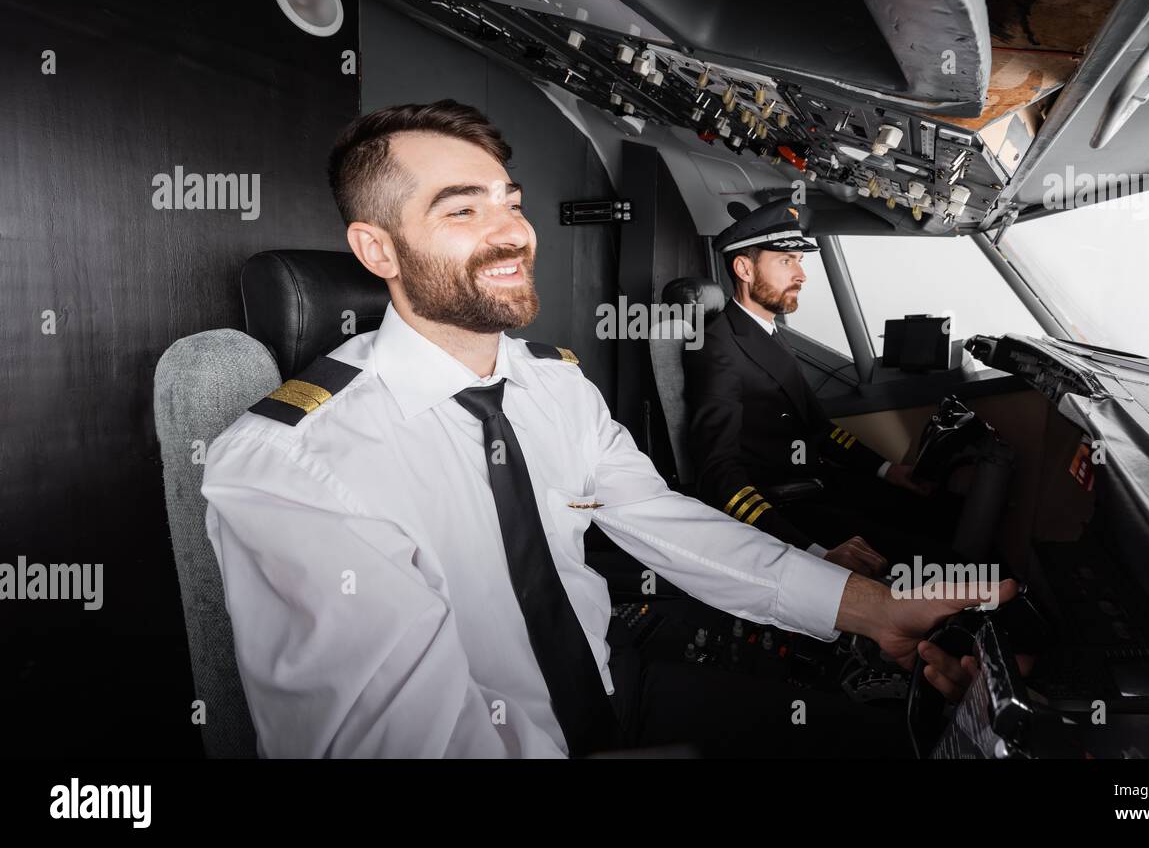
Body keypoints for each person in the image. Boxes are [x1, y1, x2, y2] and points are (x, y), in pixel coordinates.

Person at [201, 100, 1014, 758]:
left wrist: (867, 607)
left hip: (615, 682)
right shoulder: (291, 468)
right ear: (377, 247)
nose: (514, 231)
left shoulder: (555, 385)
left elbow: (668, 525)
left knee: (874, 739)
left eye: (510, 203)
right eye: (462, 209)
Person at [683, 202, 960, 571]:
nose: (801, 274)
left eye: (799, 260)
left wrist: (886, 469)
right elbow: (718, 473)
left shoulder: (769, 333)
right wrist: (812, 552)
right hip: (784, 506)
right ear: (744, 268)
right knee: (942, 561)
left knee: (943, 510)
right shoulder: (718, 347)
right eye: (786, 262)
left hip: (818, 479)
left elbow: (819, 428)